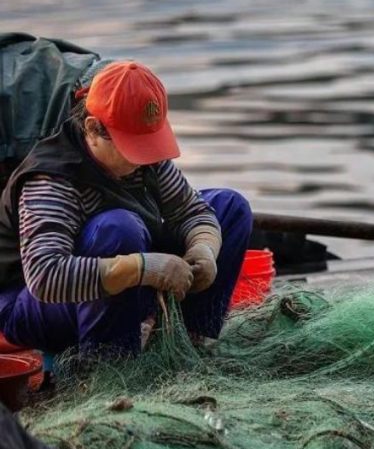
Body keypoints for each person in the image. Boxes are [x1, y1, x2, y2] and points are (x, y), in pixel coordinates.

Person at [0, 60, 252, 358]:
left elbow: (191, 210)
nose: (145, 159)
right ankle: (110, 362)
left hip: (120, 275)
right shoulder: (52, 180)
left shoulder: (147, 160)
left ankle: (191, 342)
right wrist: (142, 268)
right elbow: (46, 277)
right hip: (31, 304)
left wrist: (204, 250)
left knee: (230, 206)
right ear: (94, 129)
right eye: (134, 147)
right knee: (119, 228)